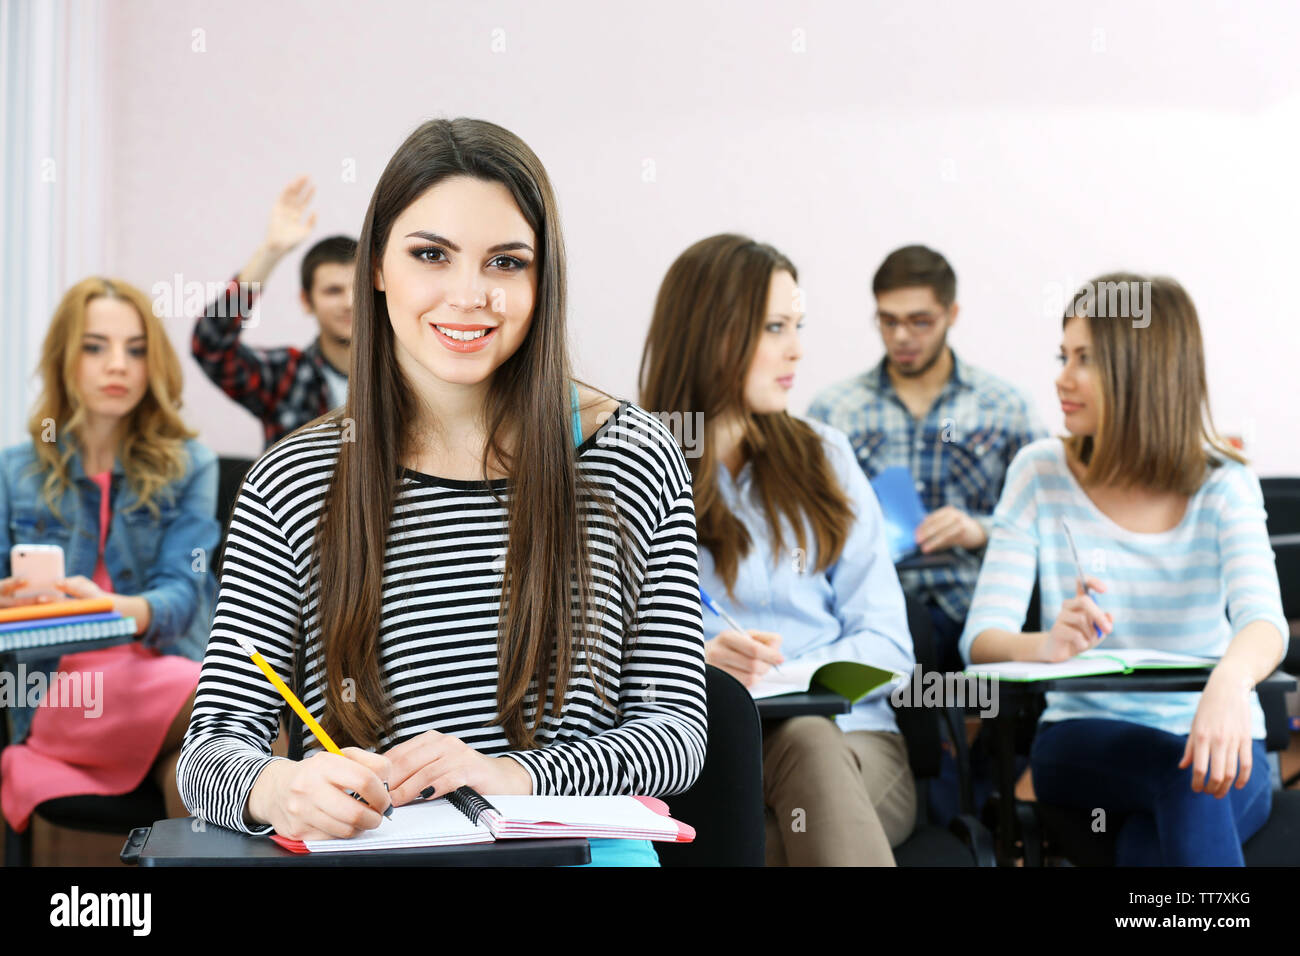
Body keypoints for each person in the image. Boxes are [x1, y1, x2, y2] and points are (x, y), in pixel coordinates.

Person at [176, 118, 707, 868]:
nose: (470, 295)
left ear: (542, 278)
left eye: (506, 262)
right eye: (431, 255)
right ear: (378, 269)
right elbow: (209, 753)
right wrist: (280, 787)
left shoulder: (633, 454)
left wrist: (512, 778)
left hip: (579, 858)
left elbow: (676, 734)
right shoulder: (294, 478)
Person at [960, 274, 1287, 866]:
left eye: (1083, 359)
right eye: (1063, 356)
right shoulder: (1039, 471)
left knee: (1150, 846)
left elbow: (1264, 620)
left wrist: (1230, 681)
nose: (1061, 377)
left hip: (1226, 743)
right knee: (1181, 777)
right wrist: (1046, 645)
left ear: (1141, 371)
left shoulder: (1224, 482)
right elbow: (980, 640)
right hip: (1083, 744)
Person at [639, 233, 915, 866]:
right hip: (710, 758)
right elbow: (601, 660)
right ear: (711, 333)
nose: (796, 349)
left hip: (855, 746)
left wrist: (795, 675)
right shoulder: (632, 465)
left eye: (798, 325)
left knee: (804, 750)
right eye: (773, 327)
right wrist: (698, 663)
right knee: (766, 833)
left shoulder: (826, 456)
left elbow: (891, 648)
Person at [0, 277, 220, 834]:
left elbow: (183, 595)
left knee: (193, 771)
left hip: (165, 675)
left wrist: (115, 609)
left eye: (136, 349)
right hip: (63, 690)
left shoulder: (190, 464)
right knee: (232, 710)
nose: (118, 365)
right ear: (64, 358)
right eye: (95, 346)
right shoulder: (14, 469)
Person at [808, 245, 1045, 673]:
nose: (901, 336)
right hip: (874, 601)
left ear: (952, 314)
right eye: (888, 320)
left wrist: (979, 529)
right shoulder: (833, 411)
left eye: (920, 321)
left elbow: (1048, 516)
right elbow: (806, 522)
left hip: (971, 601)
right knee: (905, 631)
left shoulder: (1006, 406)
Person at [191, 175, 357, 448]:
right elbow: (211, 346)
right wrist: (271, 252)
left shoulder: (404, 376)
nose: (350, 302)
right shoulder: (285, 375)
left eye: (359, 290)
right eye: (333, 291)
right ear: (306, 301)